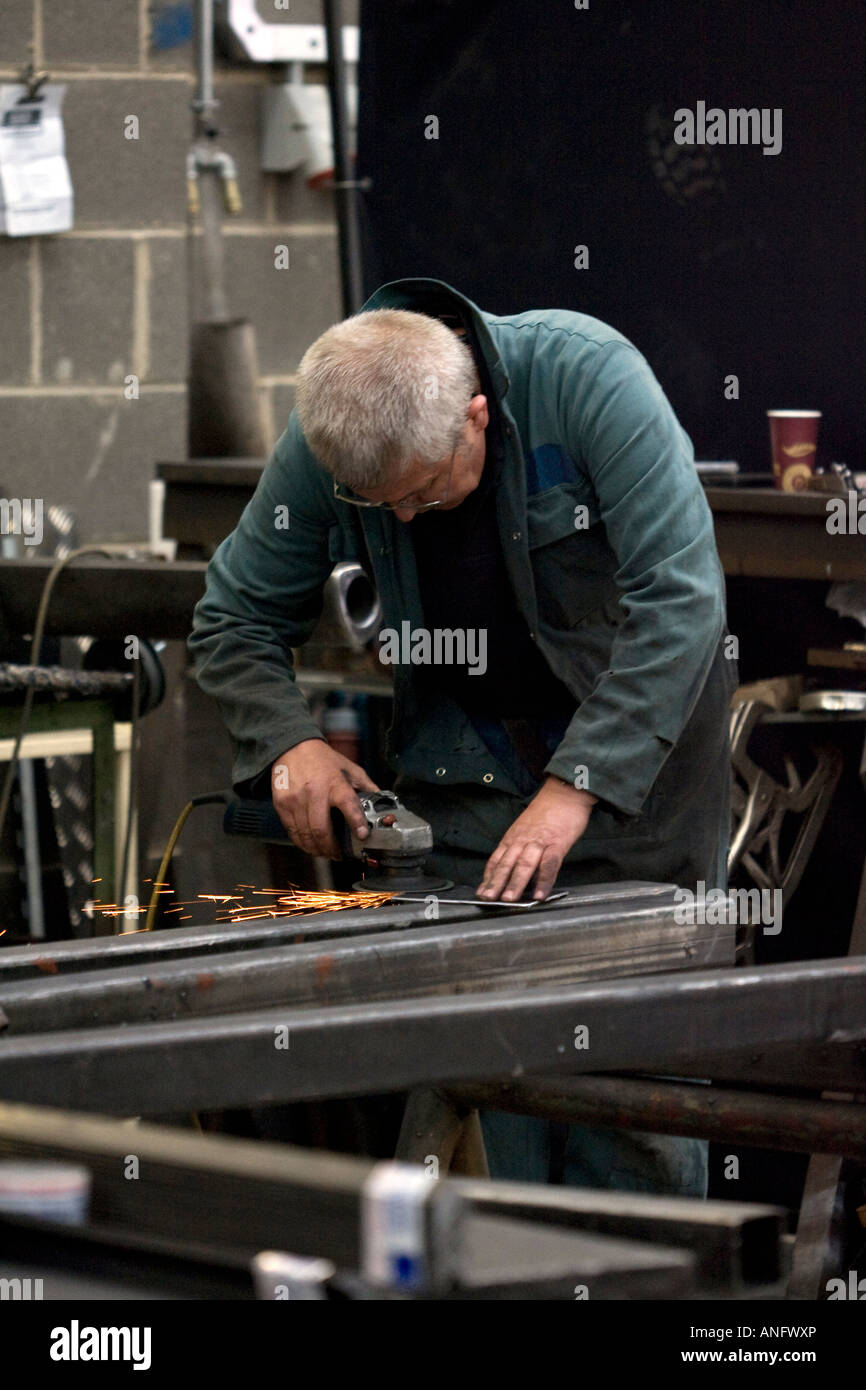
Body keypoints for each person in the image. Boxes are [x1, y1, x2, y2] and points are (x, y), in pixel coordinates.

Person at [189, 276, 736, 1194]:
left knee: (632, 1107)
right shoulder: (336, 435)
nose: (402, 519)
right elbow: (232, 618)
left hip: (637, 801)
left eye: (424, 496)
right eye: (381, 505)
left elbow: (682, 606)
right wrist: (292, 742)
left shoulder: (592, 381)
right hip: (463, 785)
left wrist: (578, 786)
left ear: (477, 416)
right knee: (475, 1099)